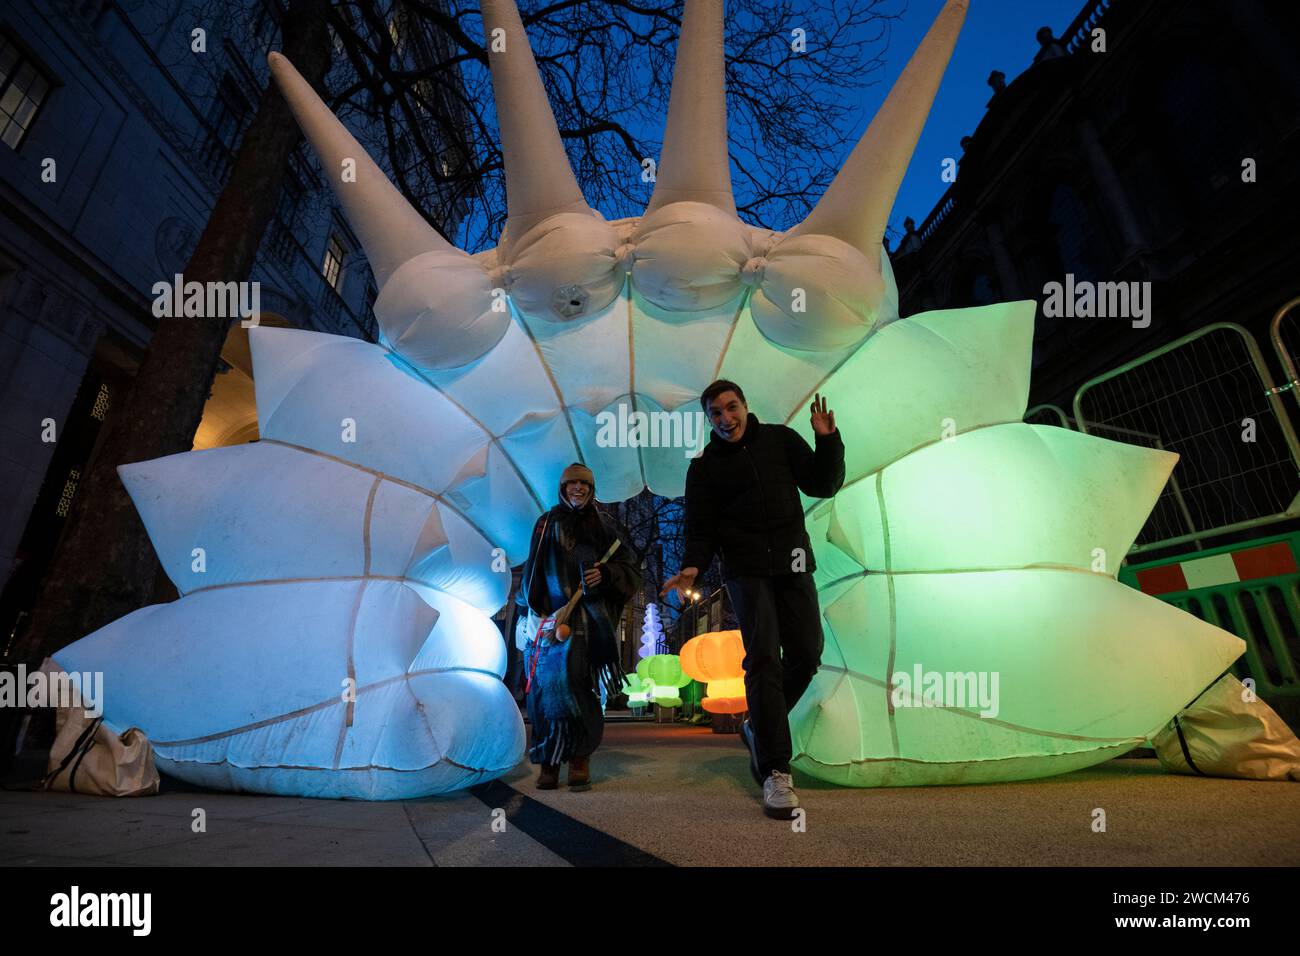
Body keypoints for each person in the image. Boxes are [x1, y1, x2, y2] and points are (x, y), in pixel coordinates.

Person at [662, 380, 845, 818]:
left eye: (731, 408)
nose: (726, 419)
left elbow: (824, 483)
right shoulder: (704, 467)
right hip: (745, 572)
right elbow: (700, 527)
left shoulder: (780, 440)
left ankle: (758, 727)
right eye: (716, 414)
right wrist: (692, 566)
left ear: (746, 405)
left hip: (794, 563)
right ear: (708, 420)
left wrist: (827, 440)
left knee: (807, 652)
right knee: (763, 658)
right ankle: (776, 771)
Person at [515, 462, 639, 790]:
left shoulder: (604, 529)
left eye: (584, 484)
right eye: (572, 484)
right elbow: (534, 567)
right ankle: (549, 761)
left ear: (592, 489)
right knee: (544, 694)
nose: (578, 489)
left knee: (579, 688)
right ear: (562, 488)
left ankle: (579, 757)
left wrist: (607, 574)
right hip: (549, 621)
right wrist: (533, 611)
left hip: (585, 623)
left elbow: (629, 569)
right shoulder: (546, 524)